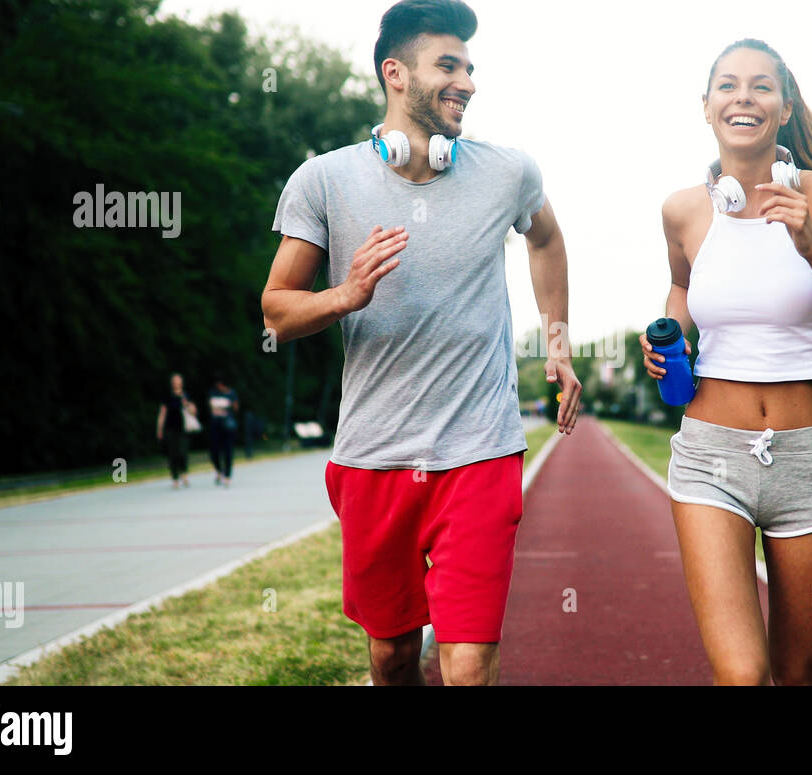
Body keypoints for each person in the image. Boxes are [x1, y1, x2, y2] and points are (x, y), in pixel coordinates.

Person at [261, 0, 582, 686]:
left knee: (466, 661)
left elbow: (547, 238)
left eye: (470, 66)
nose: (467, 80)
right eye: (449, 65)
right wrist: (344, 294)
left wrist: (557, 340)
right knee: (392, 654)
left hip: (479, 450)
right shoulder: (324, 179)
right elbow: (276, 311)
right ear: (395, 74)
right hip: (373, 456)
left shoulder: (507, 172)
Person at [640, 38, 812, 685]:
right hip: (711, 456)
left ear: (783, 108)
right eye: (727, 85)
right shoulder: (683, 211)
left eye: (759, 86)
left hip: (807, 458)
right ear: (706, 106)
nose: (742, 97)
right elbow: (680, 287)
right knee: (744, 675)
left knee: (797, 672)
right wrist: (668, 335)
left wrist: (810, 244)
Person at [156, 372, 197, 489]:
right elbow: (162, 413)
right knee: (172, 454)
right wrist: (159, 429)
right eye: (174, 381)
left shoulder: (186, 396)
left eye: (178, 381)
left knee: (182, 452)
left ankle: (184, 472)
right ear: (172, 383)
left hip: (184, 428)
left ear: (181, 383)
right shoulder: (167, 397)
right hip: (170, 428)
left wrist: (187, 404)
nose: (176, 383)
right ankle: (175, 478)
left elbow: (194, 412)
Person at [208, 375, 240, 487]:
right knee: (214, 451)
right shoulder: (213, 392)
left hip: (227, 426)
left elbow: (236, 408)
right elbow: (212, 407)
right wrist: (224, 406)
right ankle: (219, 470)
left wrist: (227, 405)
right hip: (215, 425)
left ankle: (227, 476)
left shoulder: (231, 393)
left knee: (228, 451)